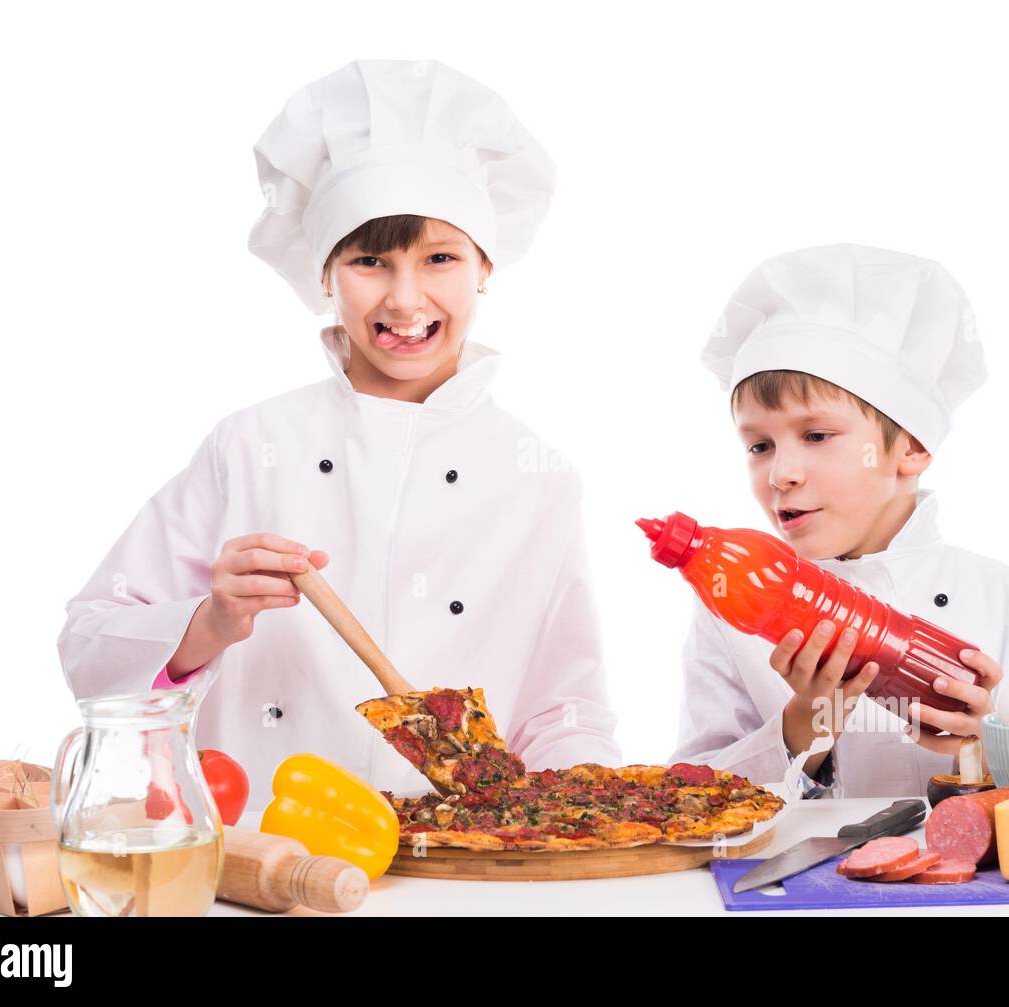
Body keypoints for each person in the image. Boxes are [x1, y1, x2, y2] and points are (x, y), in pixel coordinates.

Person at [57, 59, 620, 810]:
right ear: (325, 272)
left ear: (485, 263)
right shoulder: (249, 444)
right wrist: (209, 621)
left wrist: (583, 811)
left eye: (439, 258)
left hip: (460, 870)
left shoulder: (540, 476)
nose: (405, 297)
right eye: (369, 261)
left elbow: (564, 708)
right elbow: (91, 643)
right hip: (265, 851)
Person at [669, 243, 1009, 797]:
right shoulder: (728, 614)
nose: (781, 473)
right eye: (759, 445)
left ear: (909, 447)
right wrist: (800, 729)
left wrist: (987, 748)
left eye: (816, 436)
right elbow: (693, 796)